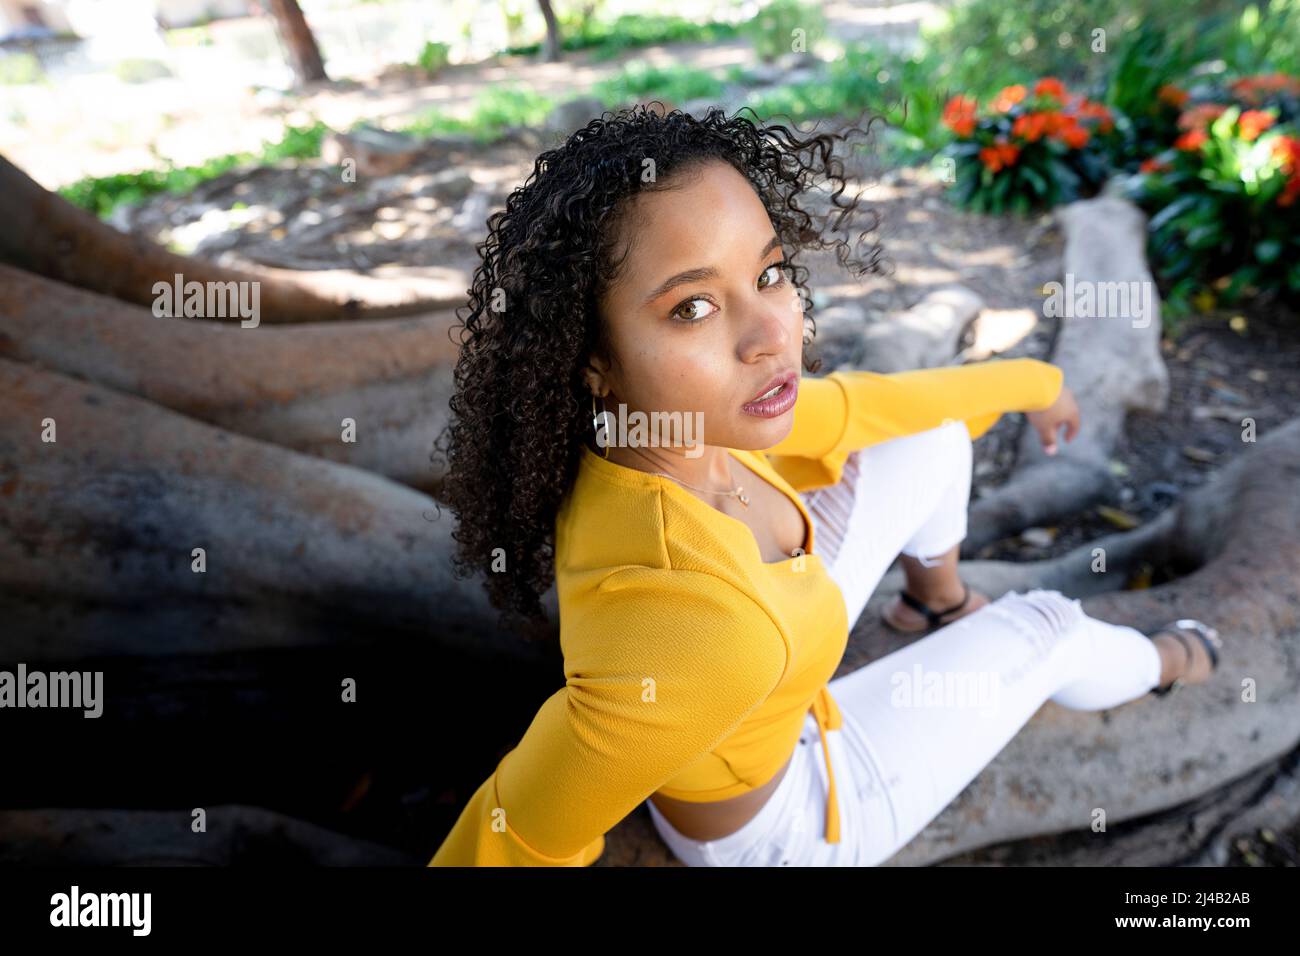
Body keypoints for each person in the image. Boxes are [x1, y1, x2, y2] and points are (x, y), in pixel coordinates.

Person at [427, 104, 1222, 867]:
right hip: (793, 820)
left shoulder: (657, 431)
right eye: (693, 306)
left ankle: (936, 600)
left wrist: (1032, 380)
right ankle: (1180, 658)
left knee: (930, 436)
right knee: (1050, 629)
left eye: (770, 272)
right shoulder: (694, 631)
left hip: (772, 663)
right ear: (591, 358)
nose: (775, 334)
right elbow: (519, 833)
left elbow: (863, 407)